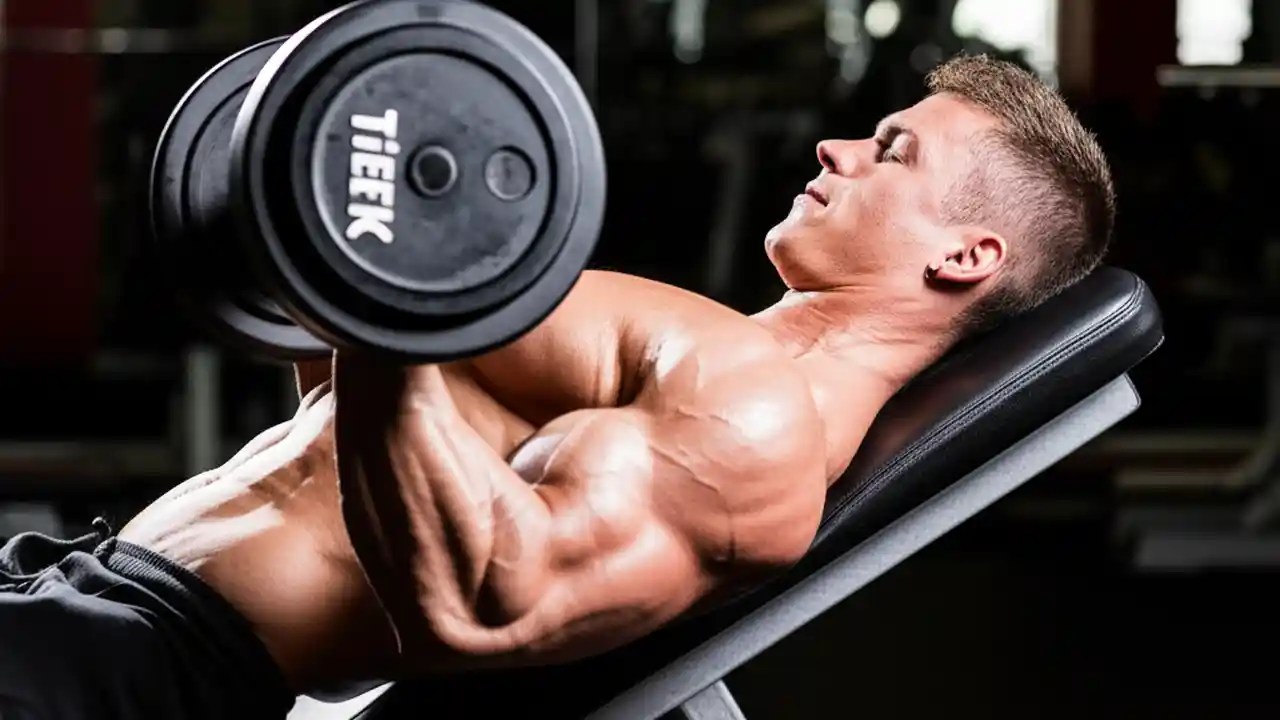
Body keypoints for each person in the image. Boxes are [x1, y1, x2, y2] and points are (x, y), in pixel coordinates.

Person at [0, 54, 1114, 719]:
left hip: (135, 668)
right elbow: (356, 431)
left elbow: (488, 593)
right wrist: (330, 250)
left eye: (891, 150)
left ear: (964, 257)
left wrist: (388, 300)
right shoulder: (719, 353)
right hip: (77, 604)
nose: (835, 149)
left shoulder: (762, 426)